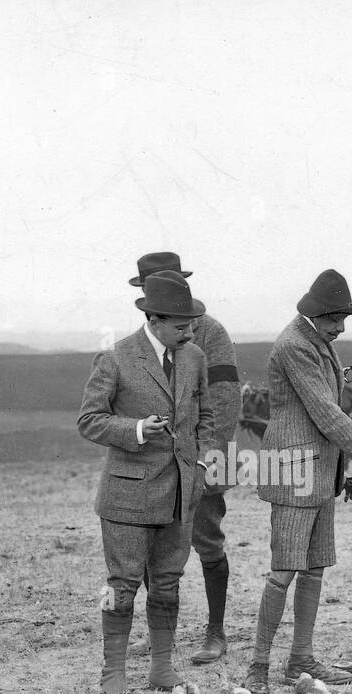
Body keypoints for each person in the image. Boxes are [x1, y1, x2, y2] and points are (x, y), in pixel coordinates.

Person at [245, 269, 352, 694]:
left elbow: (330, 415)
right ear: (315, 314)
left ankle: (302, 660)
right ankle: (258, 665)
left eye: (346, 318)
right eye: (336, 319)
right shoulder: (294, 345)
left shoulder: (320, 342)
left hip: (321, 471)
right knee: (283, 571)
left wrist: (350, 462)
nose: (342, 327)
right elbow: (325, 412)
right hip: (293, 472)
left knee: (314, 567)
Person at [78, 271, 214, 694]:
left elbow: (204, 415)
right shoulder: (116, 358)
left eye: (192, 324)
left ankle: (161, 666)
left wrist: (201, 459)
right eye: (180, 325)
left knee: (169, 582)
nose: (190, 331)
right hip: (128, 497)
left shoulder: (193, 358)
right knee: (122, 584)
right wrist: (136, 429)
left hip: (180, 494)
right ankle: (112, 670)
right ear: (153, 320)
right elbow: (89, 420)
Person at [129, 253, 240, 665]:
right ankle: (160, 632)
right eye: (146, 286)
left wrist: (206, 456)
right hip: (156, 466)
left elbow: (227, 399)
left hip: (200, 463)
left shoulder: (210, 333)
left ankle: (216, 633)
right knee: (150, 549)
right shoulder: (142, 340)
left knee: (207, 542)